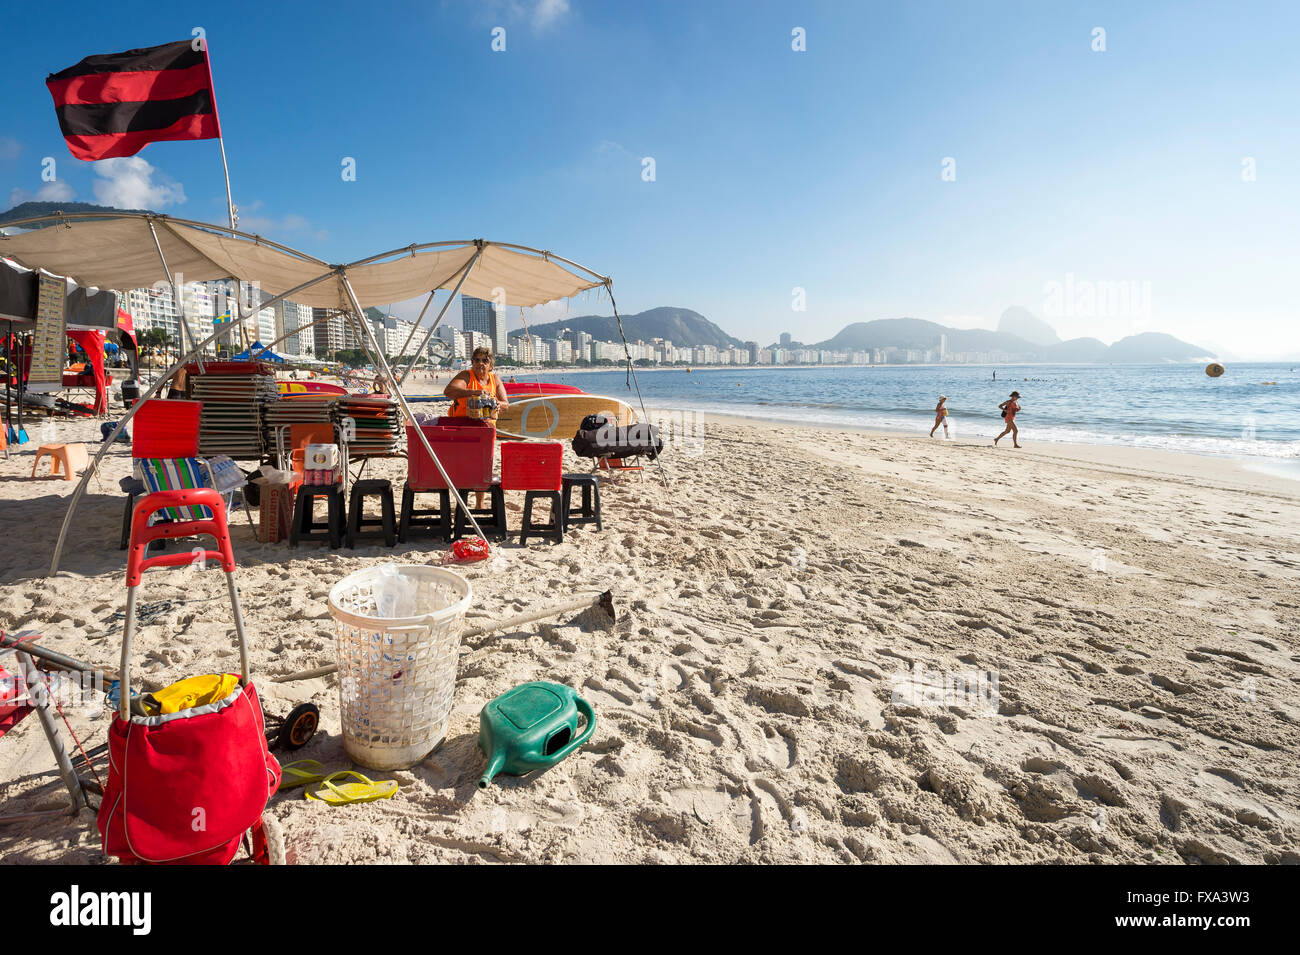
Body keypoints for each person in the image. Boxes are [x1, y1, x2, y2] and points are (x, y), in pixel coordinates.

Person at [444, 348, 510, 508]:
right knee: (463, 466)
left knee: (483, 467)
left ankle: (479, 505)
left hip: (486, 429)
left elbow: (506, 404)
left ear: (491, 365)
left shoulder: (495, 379)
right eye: (477, 360)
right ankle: (462, 505)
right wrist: (476, 392)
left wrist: (494, 403)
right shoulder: (466, 375)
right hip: (462, 427)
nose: (480, 363)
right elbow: (449, 391)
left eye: (485, 360)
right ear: (472, 363)